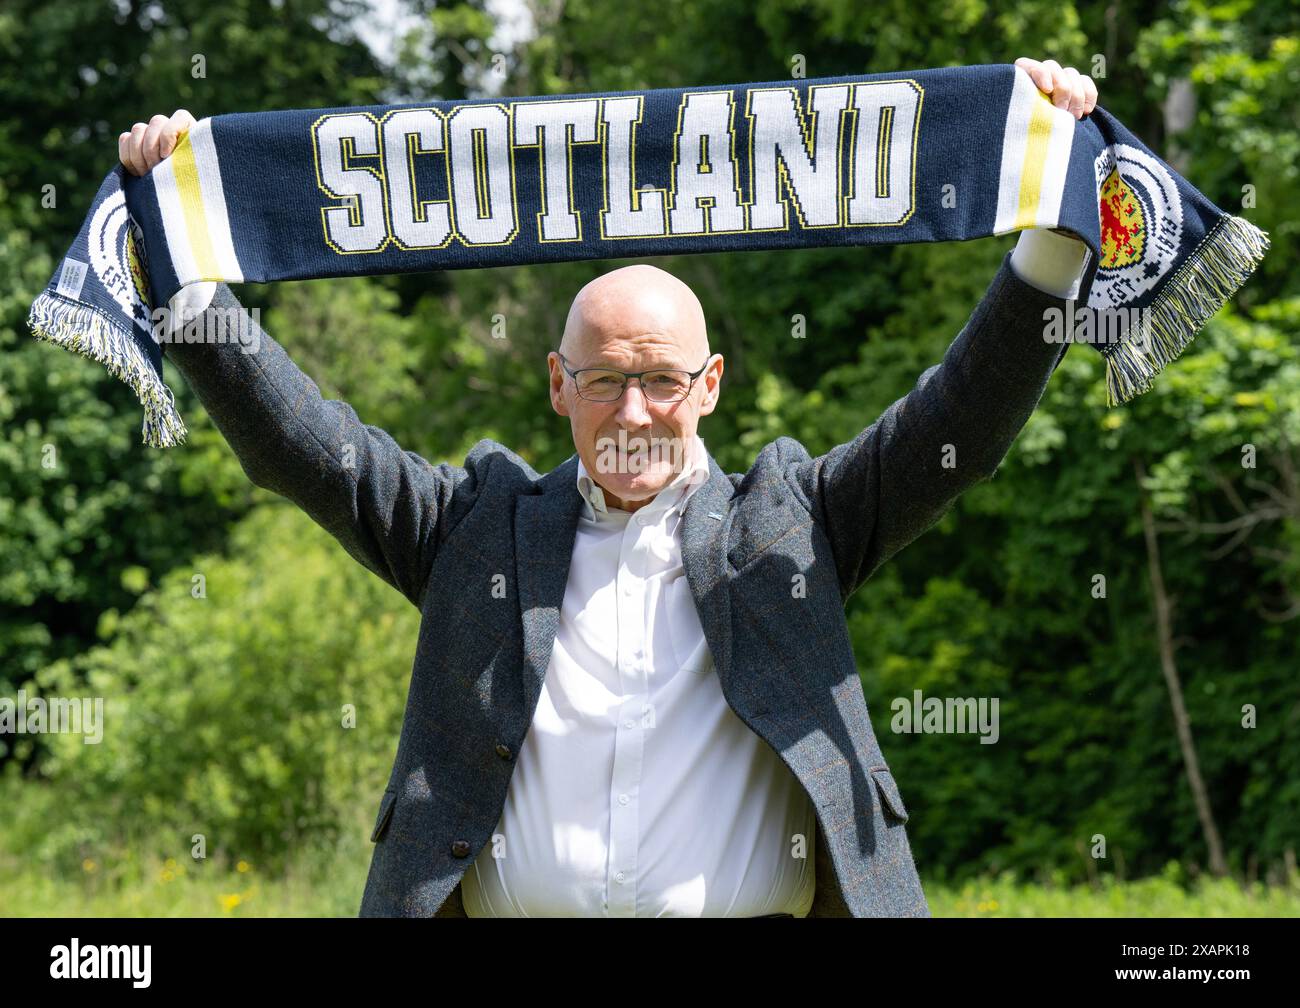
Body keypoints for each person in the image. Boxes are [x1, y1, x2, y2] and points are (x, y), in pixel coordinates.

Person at [118, 58, 1098, 917]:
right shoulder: (474, 525)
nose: (632, 415)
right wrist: (186, 270)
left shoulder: (797, 521)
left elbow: (956, 426)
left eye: (661, 380)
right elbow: (311, 449)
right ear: (558, 385)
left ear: (708, 386)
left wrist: (1054, 224)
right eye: (603, 382)